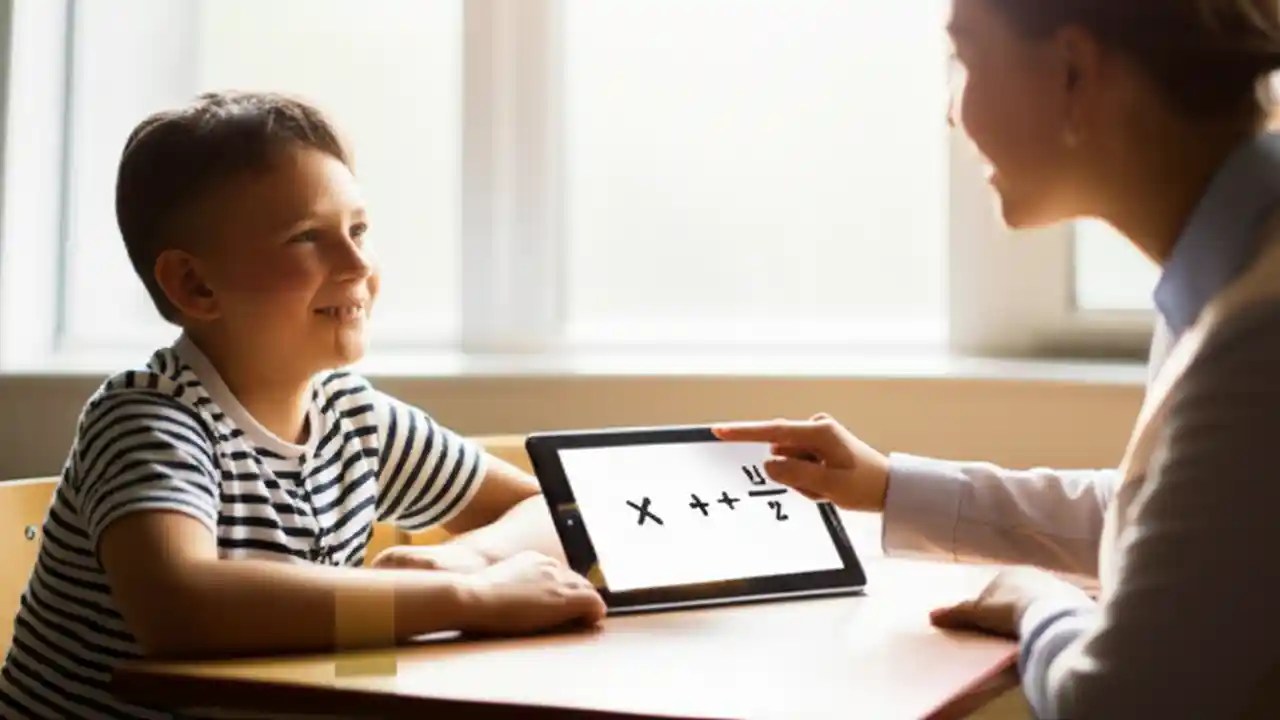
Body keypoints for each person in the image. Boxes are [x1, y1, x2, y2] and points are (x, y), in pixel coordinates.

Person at [715, 1, 1280, 717]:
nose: (954, 113)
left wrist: (1035, 602)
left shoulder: (1259, 328)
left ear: (1072, 71)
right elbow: (1175, 523)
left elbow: (1117, 703)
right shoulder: (1233, 270)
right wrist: (889, 486)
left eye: (969, 58)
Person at [0, 91, 605, 719]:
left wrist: (462, 558)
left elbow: (553, 510)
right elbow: (180, 607)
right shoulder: (146, 418)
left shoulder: (353, 418)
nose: (357, 263)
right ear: (195, 284)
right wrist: (466, 597)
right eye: (307, 237)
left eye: (359, 229)